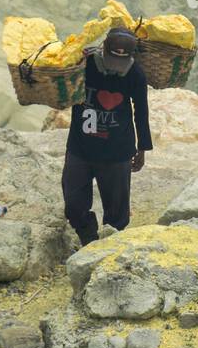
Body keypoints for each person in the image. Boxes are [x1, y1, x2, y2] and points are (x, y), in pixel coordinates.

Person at [61, 28, 152, 245]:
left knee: (117, 209)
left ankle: (110, 245)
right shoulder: (85, 65)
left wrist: (142, 148)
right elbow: (62, 81)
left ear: (131, 57)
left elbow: (141, 111)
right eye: (111, 58)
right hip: (80, 148)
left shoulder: (135, 74)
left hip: (117, 152)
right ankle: (87, 235)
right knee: (73, 202)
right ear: (103, 49)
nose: (115, 67)